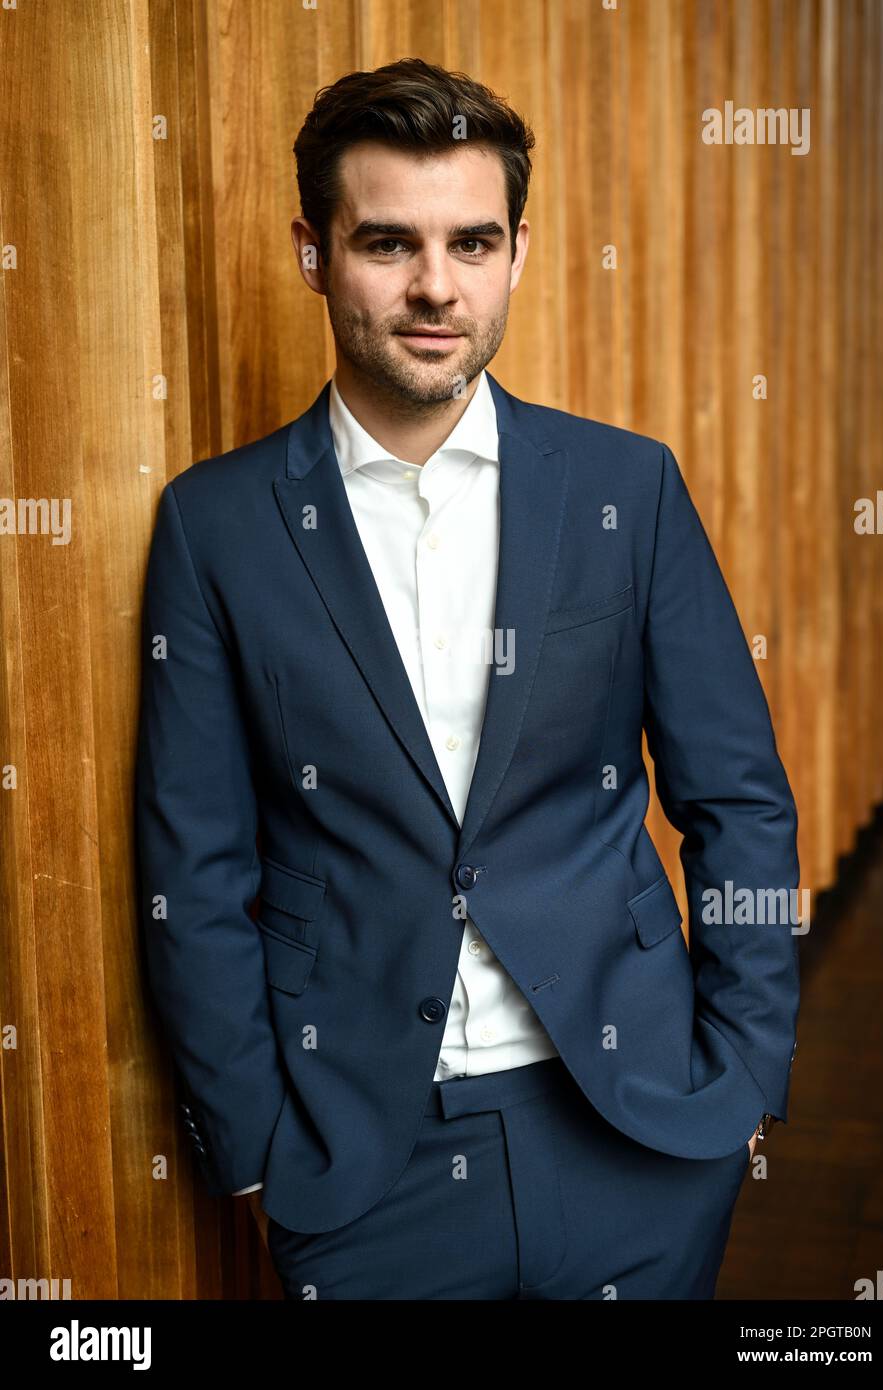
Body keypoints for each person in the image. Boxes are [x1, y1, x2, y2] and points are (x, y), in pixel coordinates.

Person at [135, 57, 800, 1300]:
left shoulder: (626, 489)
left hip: (637, 1128)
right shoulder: (215, 525)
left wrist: (747, 1074)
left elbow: (741, 802)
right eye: (388, 242)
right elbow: (195, 860)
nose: (437, 287)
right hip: (364, 1162)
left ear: (518, 251)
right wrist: (258, 1146)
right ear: (312, 252)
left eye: (472, 242)